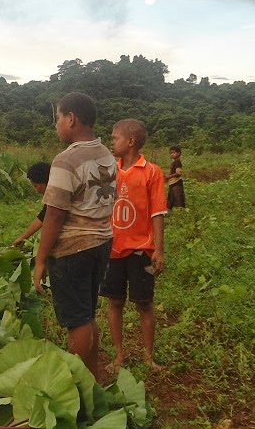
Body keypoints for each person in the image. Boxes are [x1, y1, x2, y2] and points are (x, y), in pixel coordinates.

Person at [33, 92, 117, 375]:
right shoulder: (106, 154)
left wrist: (41, 259)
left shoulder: (66, 160)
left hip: (73, 250)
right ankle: (92, 379)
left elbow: (54, 214)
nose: (56, 124)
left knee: (77, 322)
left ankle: (79, 385)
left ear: (71, 118)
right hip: (101, 243)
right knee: (87, 315)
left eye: (58, 118)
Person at [100, 119, 166, 373]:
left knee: (144, 303)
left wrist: (158, 249)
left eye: (115, 138)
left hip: (141, 250)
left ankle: (148, 357)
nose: (111, 142)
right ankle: (119, 355)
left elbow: (157, 212)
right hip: (113, 249)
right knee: (114, 302)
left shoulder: (152, 172)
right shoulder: (109, 172)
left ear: (130, 141)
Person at [12, 162, 50, 247]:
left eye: (36, 186)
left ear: (45, 182)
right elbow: (43, 215)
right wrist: (22, 238)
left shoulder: (59, 196)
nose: (36, 191)